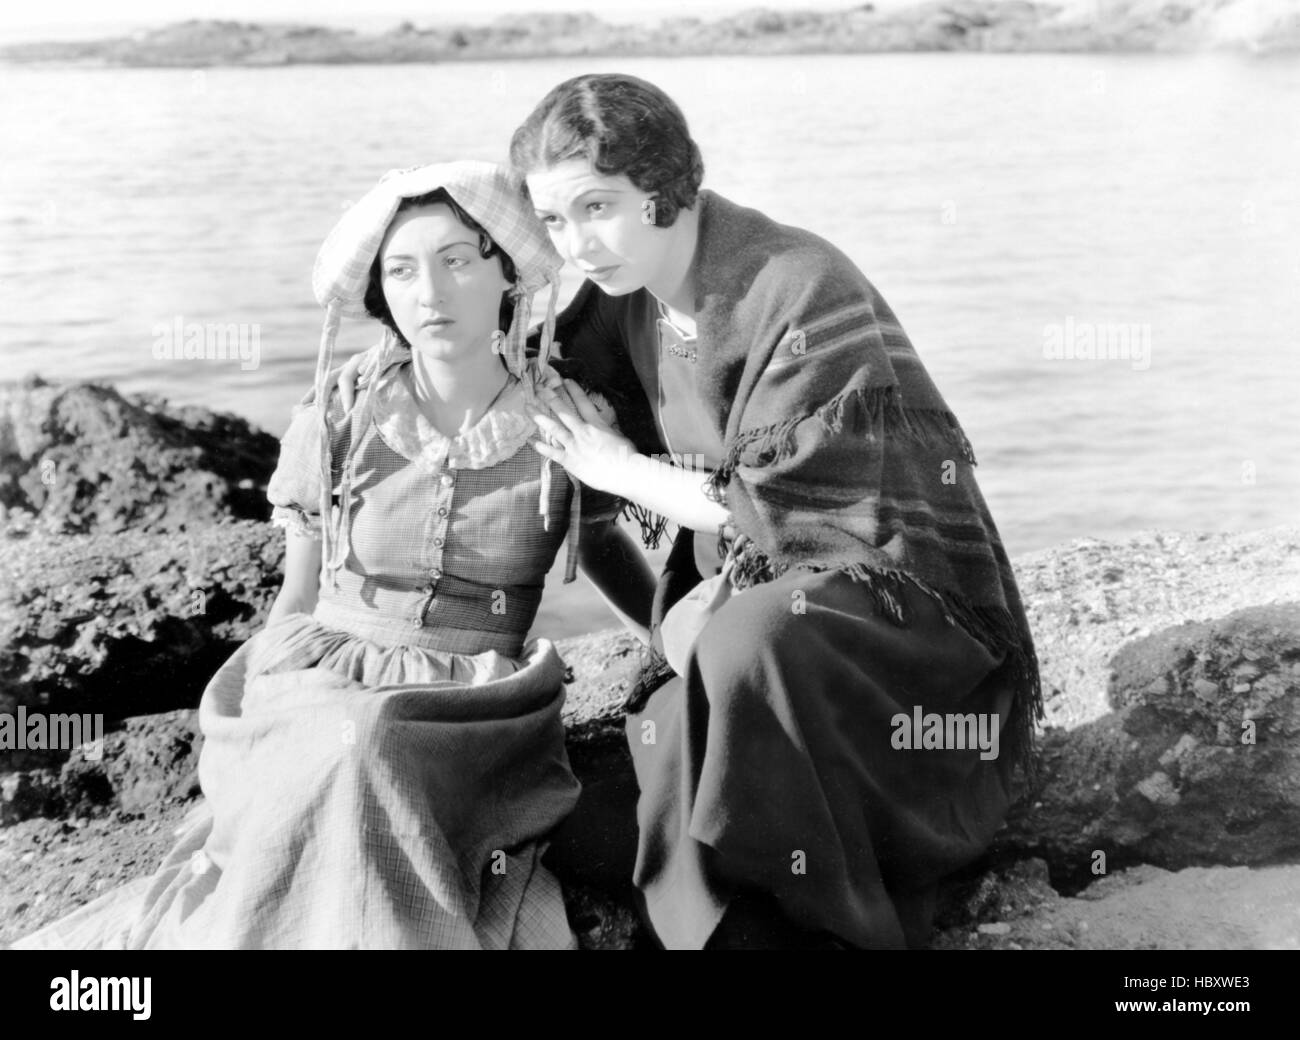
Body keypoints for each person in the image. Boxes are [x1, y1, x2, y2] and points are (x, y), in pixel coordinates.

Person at [12, 160, 625, 950]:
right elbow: (298, 591)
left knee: (375, 740)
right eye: (401, 271)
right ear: (380, 292)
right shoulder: (341, 409)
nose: (430, 293)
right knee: (351, 738)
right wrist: (257, 706)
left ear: (507, 274)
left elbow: (609, 556)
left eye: (458, 261)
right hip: (327, 672)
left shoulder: (566, 419)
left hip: (476, 697)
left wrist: (692, 645)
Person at [508, 74, 1045, 950]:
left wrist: (619, 464)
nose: (578, 244)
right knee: (655, 756)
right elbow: (529, 405)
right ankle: (735, 928)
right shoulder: (617, 299)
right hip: (755, 590)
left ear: (664, 185)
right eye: (556, 222)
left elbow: (763, 505)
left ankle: (839, 921)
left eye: (598, 207)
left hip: (893, 604)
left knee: (745, 644)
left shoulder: (795, 283)